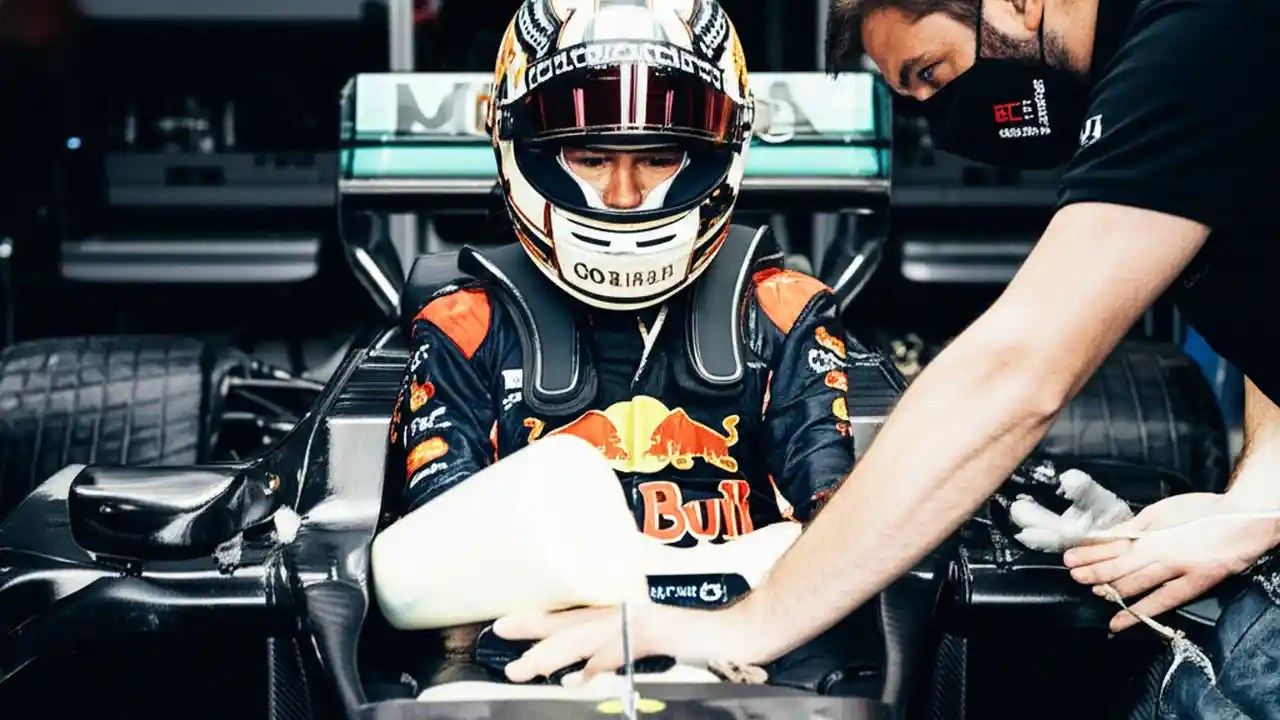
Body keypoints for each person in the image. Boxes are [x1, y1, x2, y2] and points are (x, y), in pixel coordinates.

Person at [492, 0, 1280, 708]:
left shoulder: (1203, 33)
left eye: (931, 72)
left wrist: (746, 625)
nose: (940, 115)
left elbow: (1019, 368)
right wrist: (1253, 505)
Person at [387, 0, 873, 693]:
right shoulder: (465, 325)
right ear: (523, 146)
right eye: (590, 157)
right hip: (533, 673)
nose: (622, 195)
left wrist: (659, 611)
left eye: (657, 157)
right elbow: (442, 572)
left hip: (751, 661)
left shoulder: (784, 311)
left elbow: (849, 532)